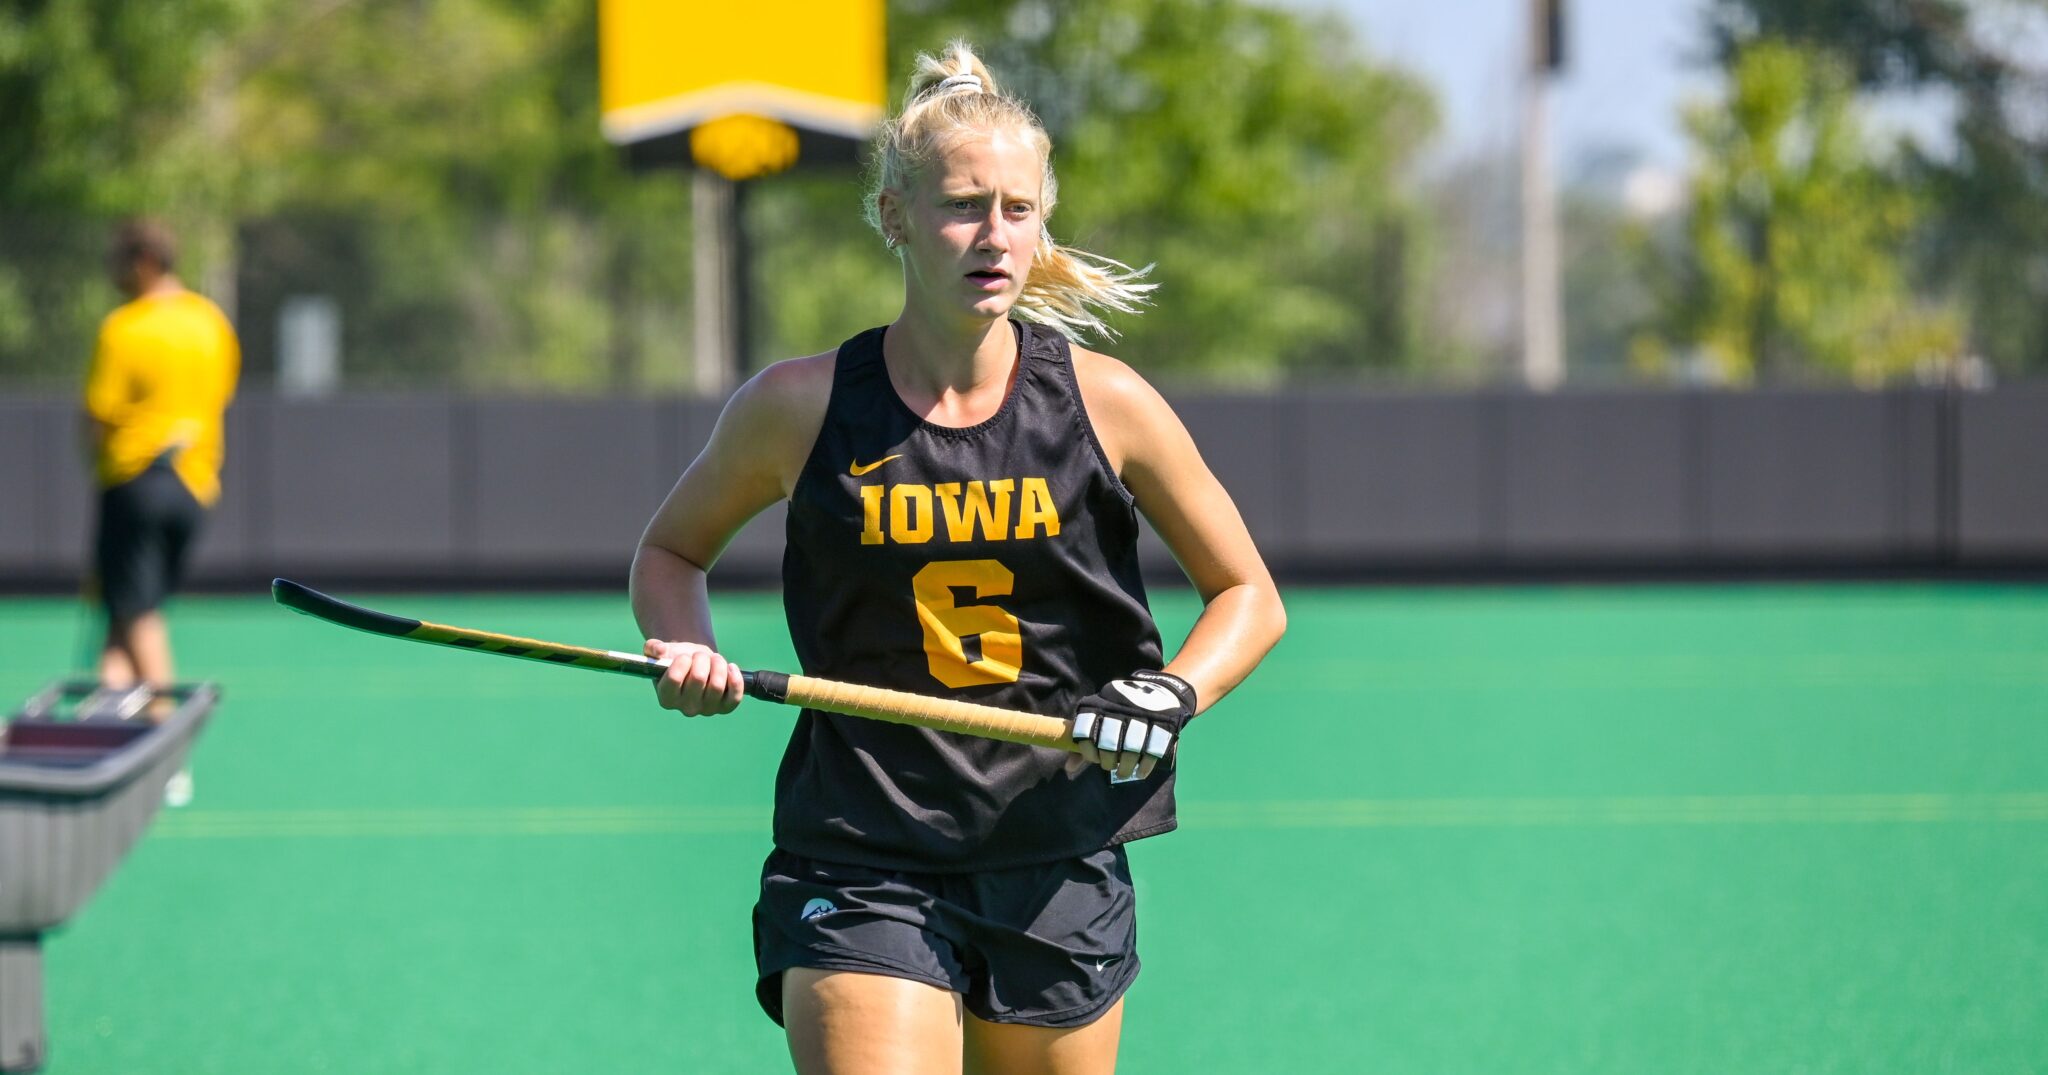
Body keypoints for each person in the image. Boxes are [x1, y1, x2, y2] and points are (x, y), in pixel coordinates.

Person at [632, 42, 1285, 1074]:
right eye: (961, 206)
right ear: (894, 216)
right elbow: (670, 552)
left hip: (1057, 846)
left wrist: (1168, 695)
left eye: (1017, 209)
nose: (992, 235)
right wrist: (687, 650)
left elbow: (1248, 595)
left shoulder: (1104, 403)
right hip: (862, 852)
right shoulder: (798, 408)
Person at [82, 218, 239, 738]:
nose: (113, 274)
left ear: (143, 263)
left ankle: (165, 741)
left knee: (140, 614)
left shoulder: (126, 327)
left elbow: (98, 418)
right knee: (124, 610)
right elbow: (221, 393)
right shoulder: (210, 321)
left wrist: (97, 466)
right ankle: (107, 724)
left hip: (136, 482)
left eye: (119, 263)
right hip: (194, 487)